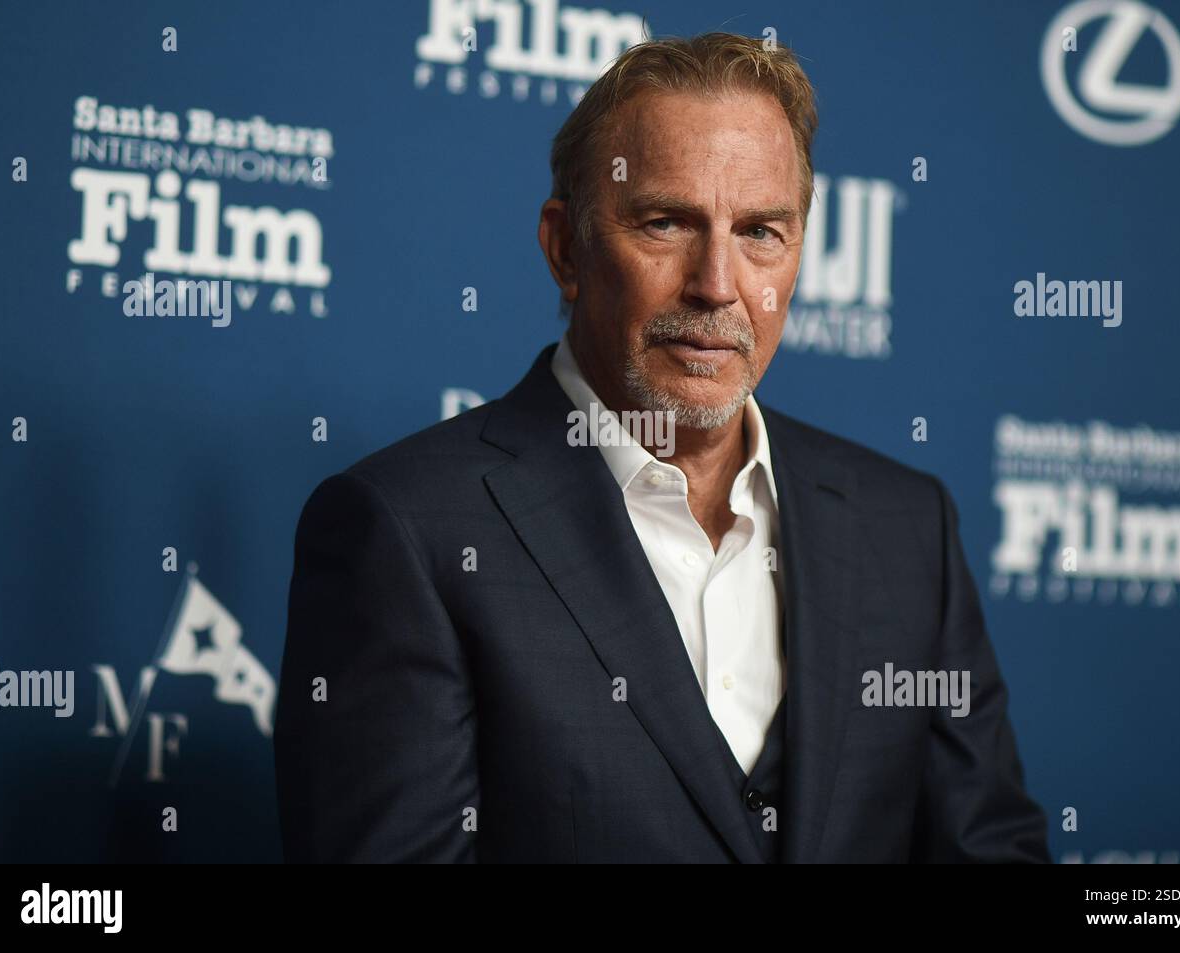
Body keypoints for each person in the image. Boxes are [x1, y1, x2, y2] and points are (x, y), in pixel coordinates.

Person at [274, 31, 1050, 863]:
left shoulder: (906, 527)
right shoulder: (407, 530)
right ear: (566, 248)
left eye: (760, 231)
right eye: (667, 222)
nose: (717, 283)